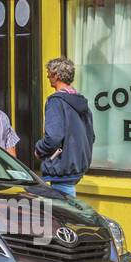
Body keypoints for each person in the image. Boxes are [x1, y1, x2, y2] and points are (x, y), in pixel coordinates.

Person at [33, 57, 95, 197]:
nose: (48, 76)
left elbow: (53, 138)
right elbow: (91, 136)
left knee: (61, 214)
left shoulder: (55, 102)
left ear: (56, 75)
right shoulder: (81, 101)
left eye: (49, 73)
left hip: (62, 170)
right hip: (77, 169)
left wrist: (39, 149)